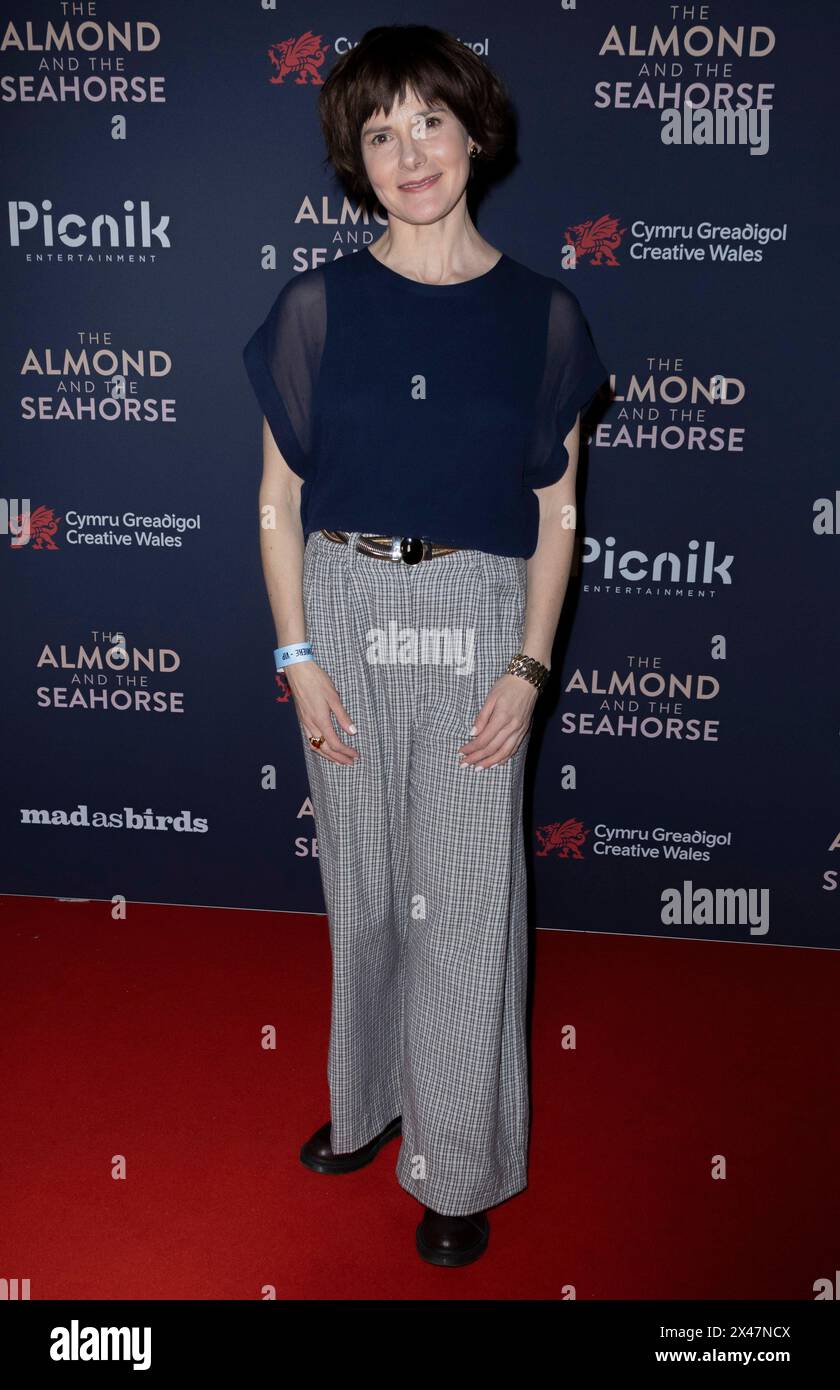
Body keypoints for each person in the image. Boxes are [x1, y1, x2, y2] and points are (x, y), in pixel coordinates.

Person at [242, 23, 608, 1268]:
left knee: (466, 902)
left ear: (473, 132)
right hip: (341, 605)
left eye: (428, 122)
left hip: (475, 616)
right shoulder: (317, 305)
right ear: (355, 155)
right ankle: (370, 1102)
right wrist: (298, 655)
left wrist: (528, 661)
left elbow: (562, 515)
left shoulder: (545, 315)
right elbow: (275, 506)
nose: (408, 153)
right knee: (363, 889)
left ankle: (456, 1157)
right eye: (378, 131)